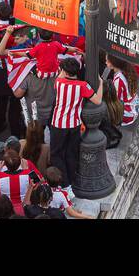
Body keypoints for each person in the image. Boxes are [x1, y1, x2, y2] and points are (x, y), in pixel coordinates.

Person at [49, 58, 103, 193]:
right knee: (70, 153)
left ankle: (65, 184)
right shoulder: (83, 86)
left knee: (56, 154)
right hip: (74, 125)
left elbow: (61, 75)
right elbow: (97, 100)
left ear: (65, 72)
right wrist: (100, 83)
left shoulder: (58, 82)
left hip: (58, 124)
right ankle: (71, 180)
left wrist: (63, 69)